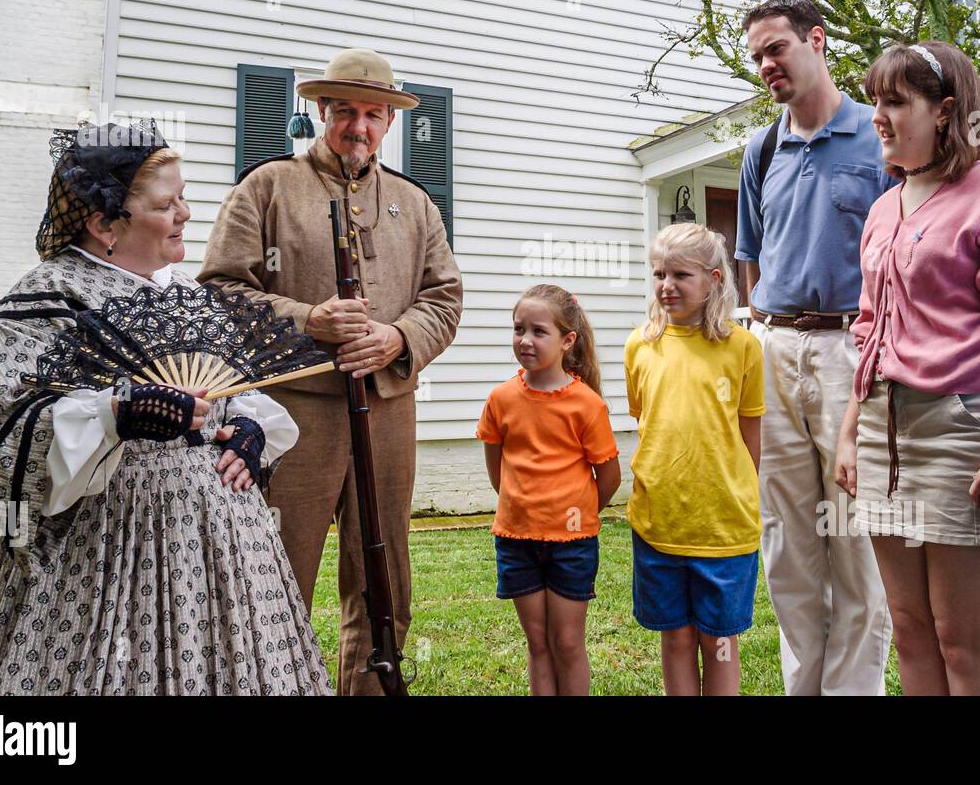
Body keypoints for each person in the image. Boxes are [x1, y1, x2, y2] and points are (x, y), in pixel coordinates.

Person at [0, 122, 330, 695]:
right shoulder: (47, 299)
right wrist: (118, 413)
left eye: (184, 196)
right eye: (167, 204)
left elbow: (233, 388)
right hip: (102, 543)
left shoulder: (186, 294)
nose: (186, 213)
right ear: (101, 223)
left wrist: (247, 429)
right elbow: (7, 429)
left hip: (223, 541)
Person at [199, 48, 463, 695]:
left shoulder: (414, 202)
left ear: (389, 122)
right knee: (276, 578)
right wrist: (306, 320)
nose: (360, 127)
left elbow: (445, 298)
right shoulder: (265, 187)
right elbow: (220, 291)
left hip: (388, 414)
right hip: (294, 415)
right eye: (346, 111)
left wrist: (397, 337)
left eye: (374, 114)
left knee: (383, 588)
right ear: (323, 110)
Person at [833, 41, 980, 695]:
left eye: (895, 101)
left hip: (962, 426)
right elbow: (869, 327)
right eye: (873, 100)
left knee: (962, 644)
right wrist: (850, 432)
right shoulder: (885, 206)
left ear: (944, 112)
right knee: (910, 630)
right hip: (883, 427)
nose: (876, 116)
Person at [736, 0, 895, 695]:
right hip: (772, 348)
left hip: (851, 351)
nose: (767, 64)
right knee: (788, 545)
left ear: (817, 40)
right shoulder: (761, 148)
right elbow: (751, 259)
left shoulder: (880, 136)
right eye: (757, 57)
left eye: (777, 48)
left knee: (859, 543)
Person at [624, 223, 763, 696]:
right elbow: (648, 420)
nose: (667, 285)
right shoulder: (640, 344)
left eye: (681, 275)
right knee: (677, 637)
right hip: (659, 521)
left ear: (714, 280)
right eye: (659, 273)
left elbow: (750, 434)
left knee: (719, 640)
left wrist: (743, 495)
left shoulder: (742, 347)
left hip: (723, 527)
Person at [476, 284, 621, 695]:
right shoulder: (501, 399)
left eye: (539, 332)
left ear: (567, 340)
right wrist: (523, 507)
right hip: (516, 540)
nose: (525, 340)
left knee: (567, 642)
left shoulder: (585, 405)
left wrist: (577, 511)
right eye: (518, 329)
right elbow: (497, 469)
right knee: (538, 644)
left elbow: (608, 477)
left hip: (572, 544)